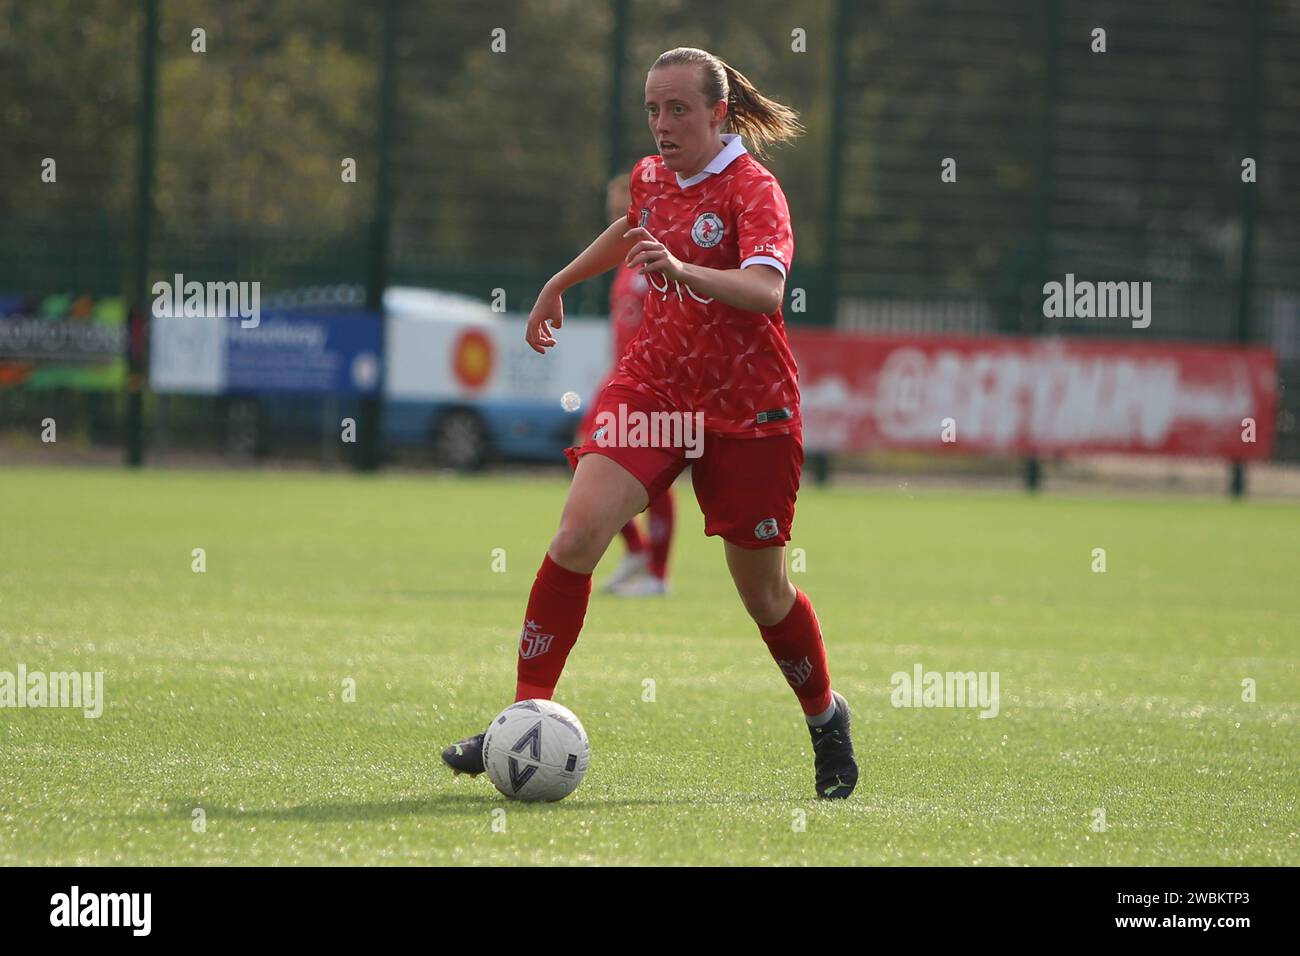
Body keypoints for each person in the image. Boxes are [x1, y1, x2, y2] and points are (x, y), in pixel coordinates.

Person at [442, 47, 857, 799]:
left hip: (748, 411)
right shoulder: (650, 177)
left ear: (718, 113)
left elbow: (765, 292)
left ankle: (826, 717)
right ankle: (521, 716)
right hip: (656, 394)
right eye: (652, 110)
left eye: (678, 111)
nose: (663, 126)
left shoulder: (754, 190)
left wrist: (684, 271)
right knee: (576, 536)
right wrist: (560, 281)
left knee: (765, 596)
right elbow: (632, 229)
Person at [583, 172, 676, 597]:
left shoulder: (661, 252)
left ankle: (657, 575)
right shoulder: (623, 259)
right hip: (621, 376)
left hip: (654, 381)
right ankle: (637, 550)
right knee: (587, 455)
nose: (616, 212)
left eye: (623, 204)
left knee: (655, 476)